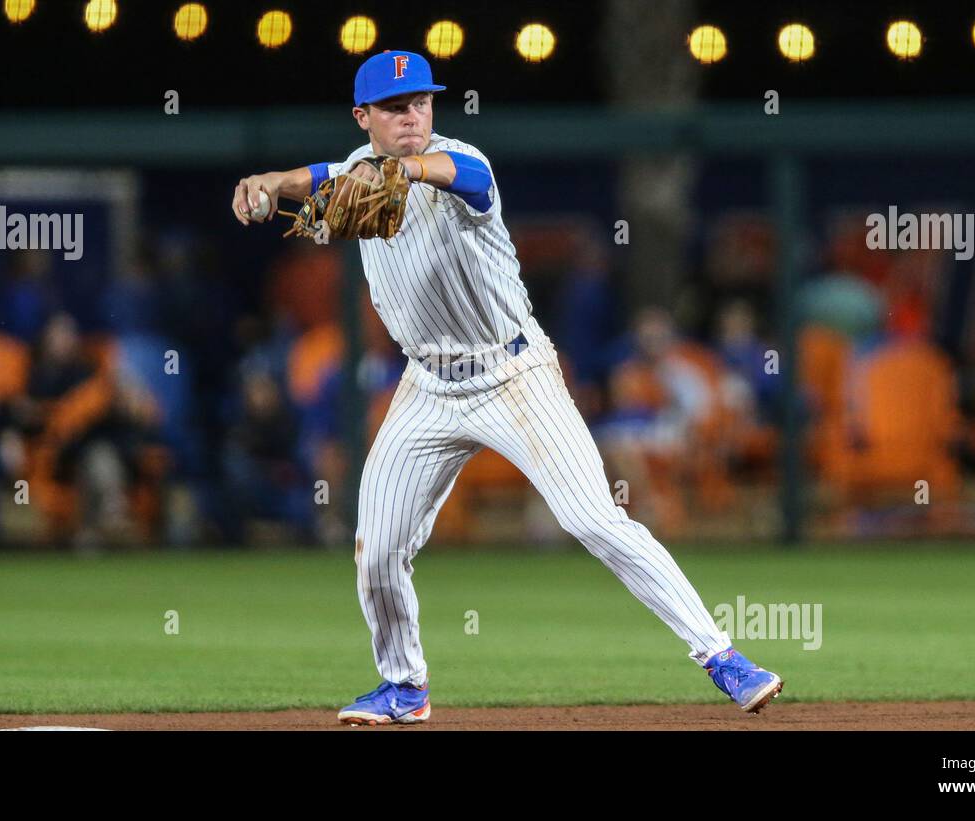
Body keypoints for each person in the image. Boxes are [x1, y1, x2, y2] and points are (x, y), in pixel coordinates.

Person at [231, 50, 783, 725]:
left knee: (592, 518)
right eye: (396, 107)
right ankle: (405, 686)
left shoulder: (462, 162)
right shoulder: (356, 174)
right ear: (363, 117)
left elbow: (456, 175)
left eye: (422, 102)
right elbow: (318, 176)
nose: (413, 116)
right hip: (427, 385)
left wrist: (398, 168)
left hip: (513, 374)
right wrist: (268, 181)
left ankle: (724, 657)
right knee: (375, 549)